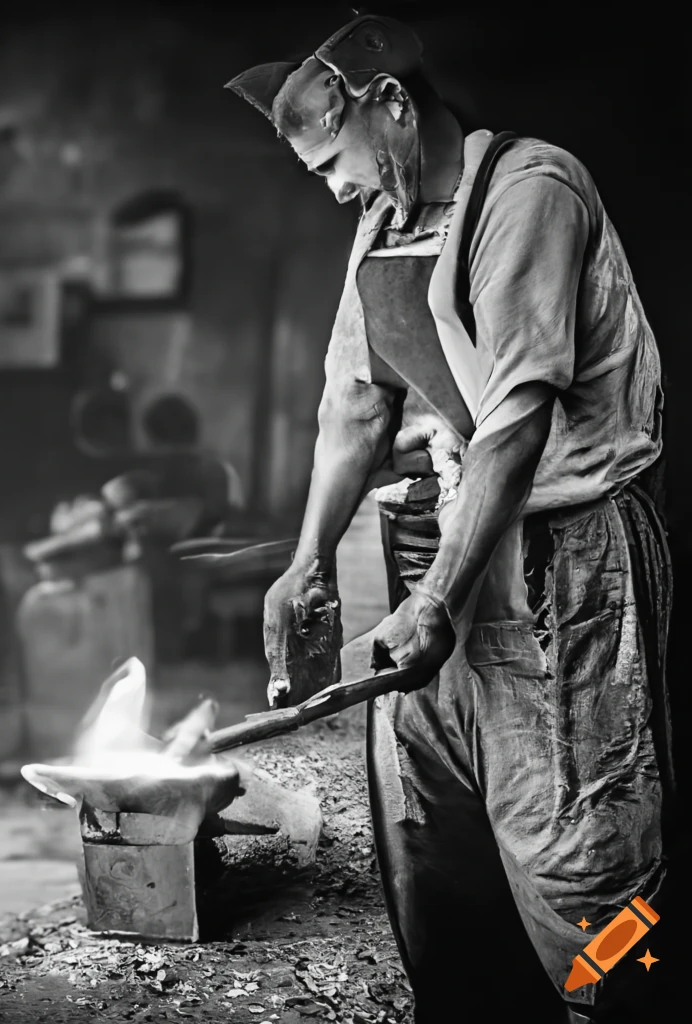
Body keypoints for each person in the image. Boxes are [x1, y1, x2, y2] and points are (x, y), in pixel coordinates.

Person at [226, 13, 674, 1024]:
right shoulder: (383, 219)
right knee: (437, 854)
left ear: (392, 106)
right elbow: (352, 401)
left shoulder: (529, 190)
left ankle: (629, 1000)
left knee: (580, 854)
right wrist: (304, 565)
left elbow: (517, 420)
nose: (334, 186)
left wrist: (435, 597)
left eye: (334, 160)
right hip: (448, 558)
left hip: (566, 566)